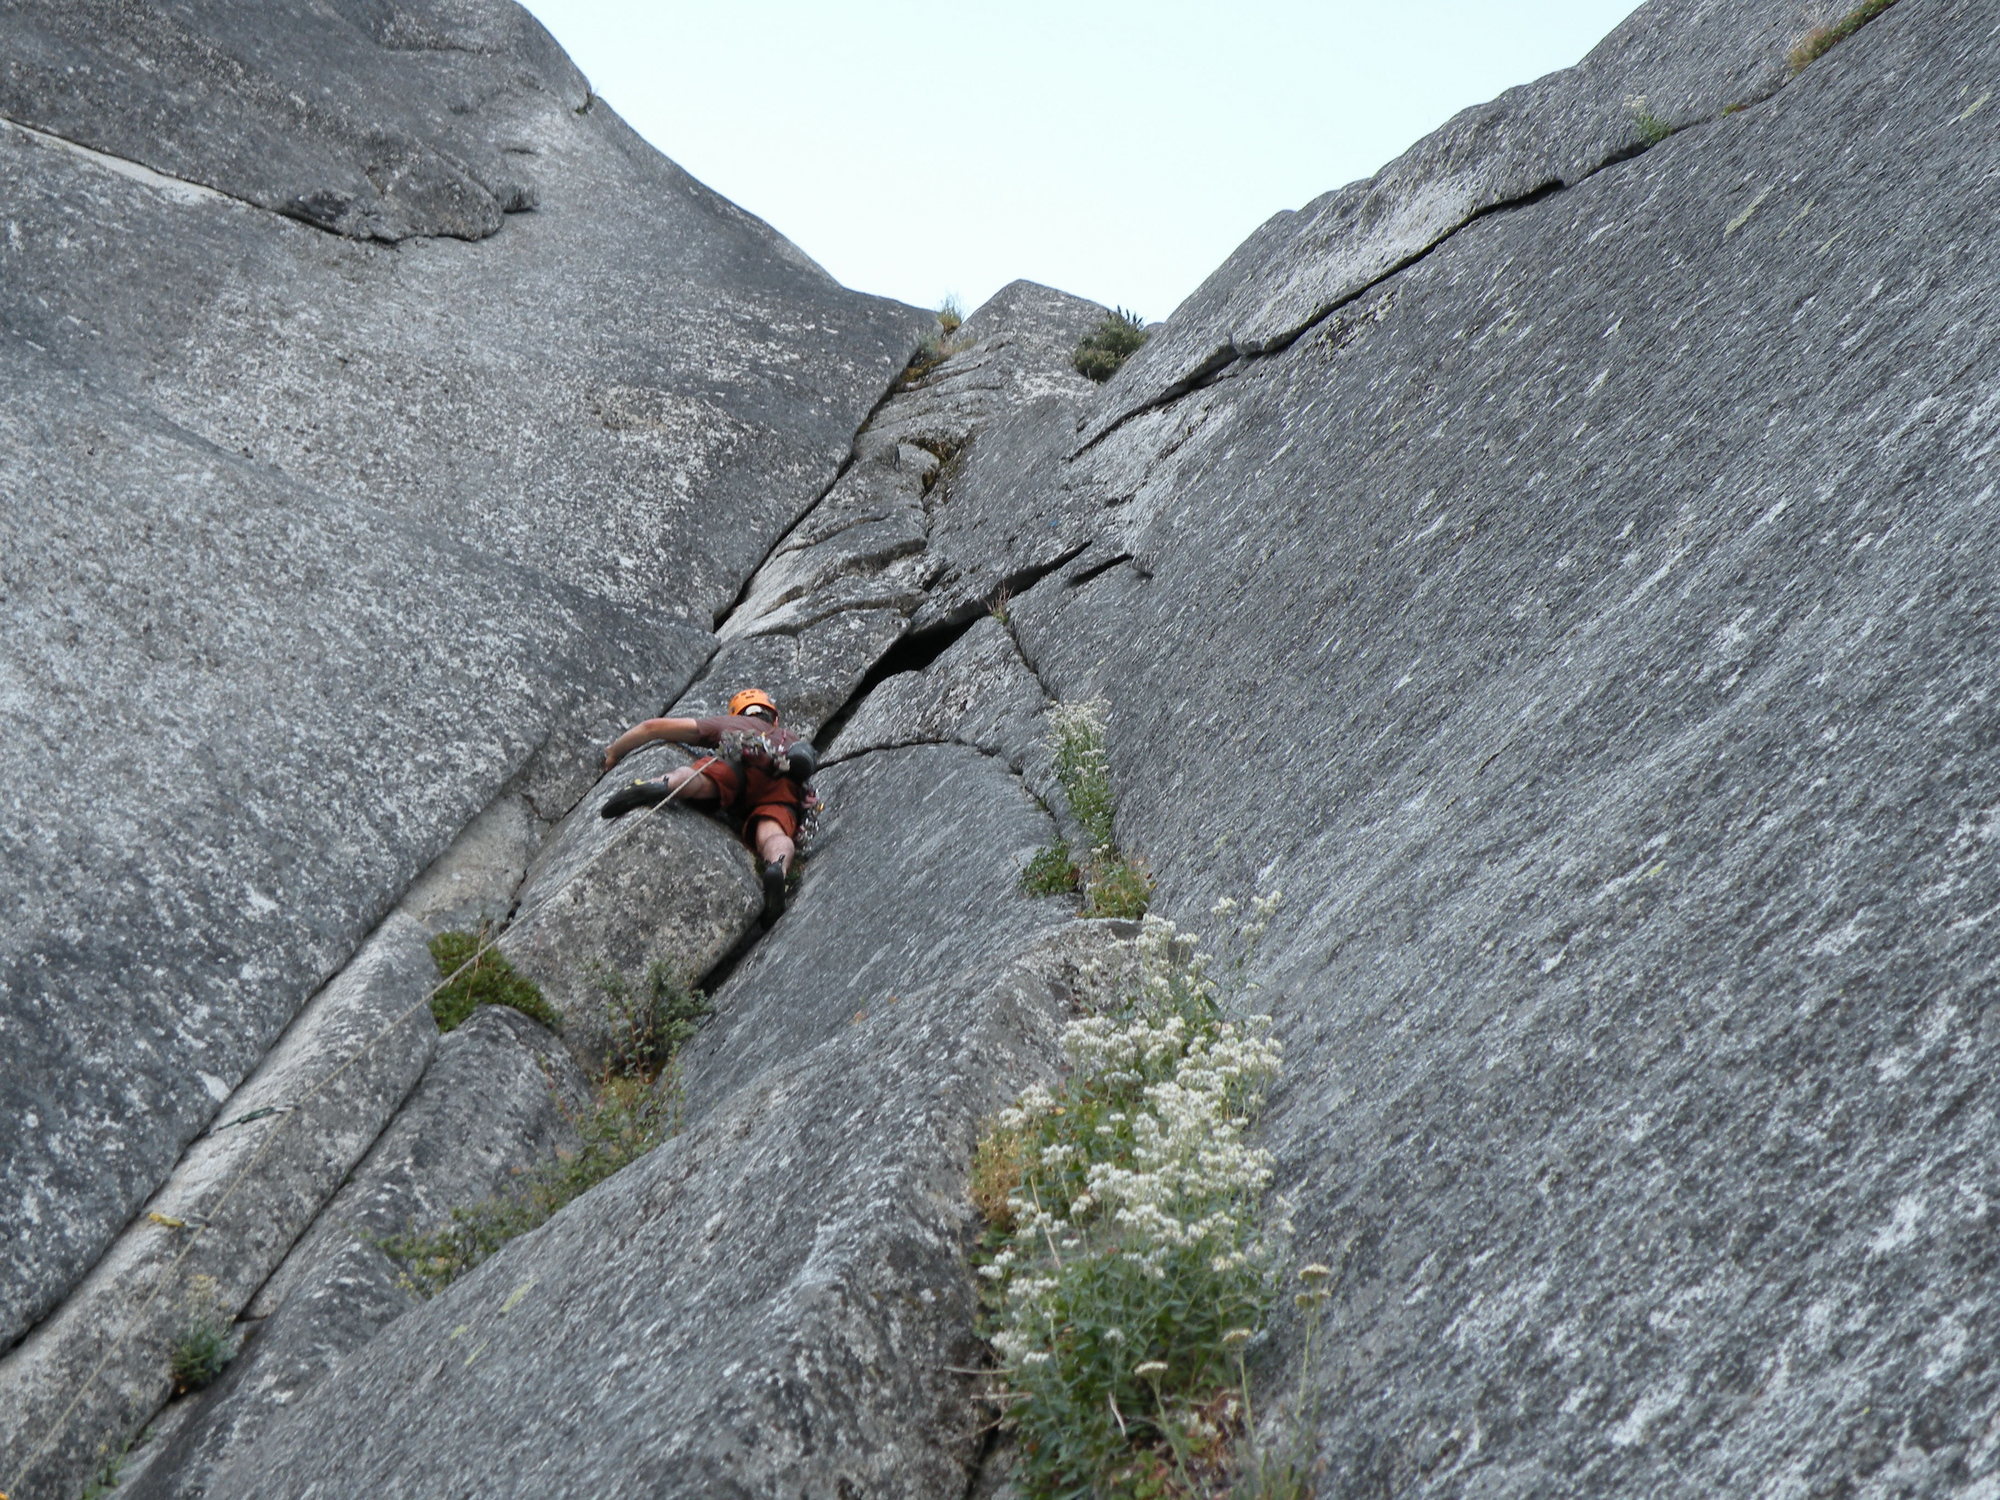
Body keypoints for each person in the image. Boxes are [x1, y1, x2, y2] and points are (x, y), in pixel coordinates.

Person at [598, 688, 819, 919]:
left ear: (738, 713)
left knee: (702, 780)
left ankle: (665, 784)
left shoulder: (733, 724)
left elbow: (651, 727)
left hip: (740, 759)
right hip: (783, 785)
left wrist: (614, 752)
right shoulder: (789, 738)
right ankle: (777, 866)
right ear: (774, 717)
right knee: (772, 832)